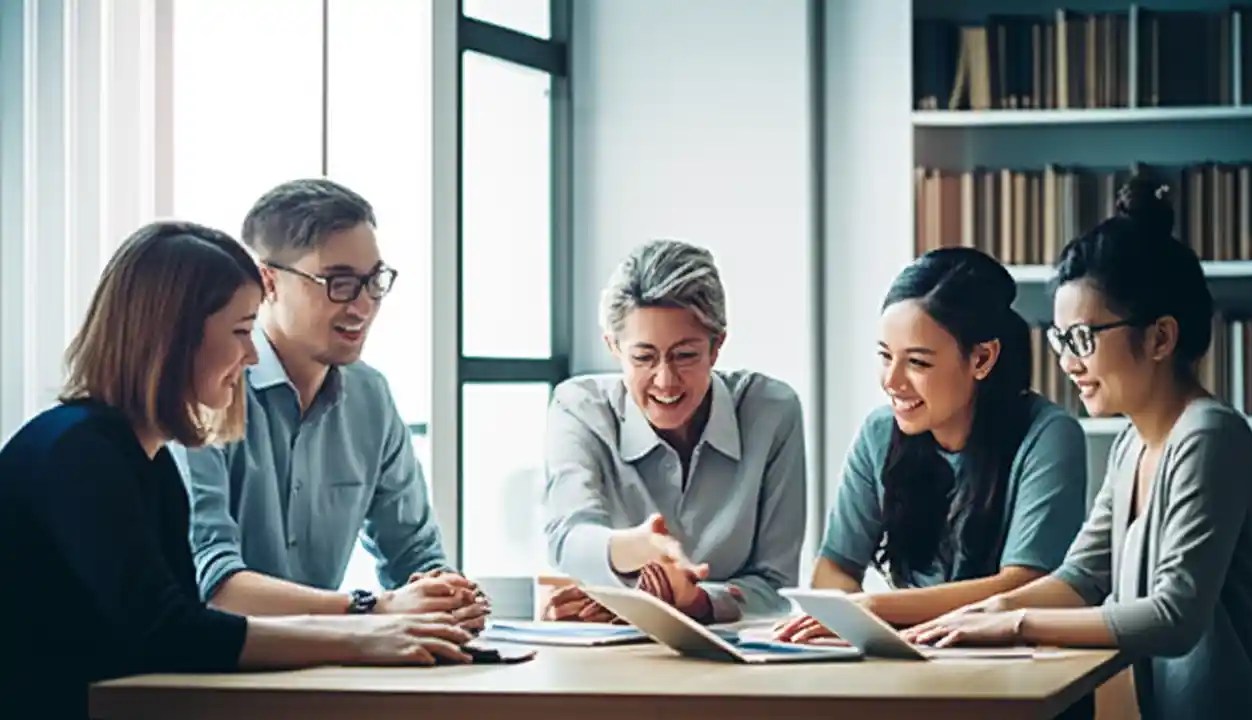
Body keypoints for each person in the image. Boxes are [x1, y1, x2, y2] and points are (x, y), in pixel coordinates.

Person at [0, 222, 474, 719]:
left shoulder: (146, 458)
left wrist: (376, 628)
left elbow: (182, 624)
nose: (251, 356)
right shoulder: (80, 454)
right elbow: (171, 632)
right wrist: (363, 634)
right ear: (175, 338)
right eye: (242, 332)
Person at [902, 179, 1252, 719]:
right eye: (1061, 342)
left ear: (1160, 338)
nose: (1068, 363)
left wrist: (1014, 624)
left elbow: (1174, 617)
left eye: (1082, 339)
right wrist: (984, 610)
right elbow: (1081, 578)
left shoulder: (1209, 436)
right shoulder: (1132, 445)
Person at [175, 179, 486, 624]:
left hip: (323, 668)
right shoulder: (210, 389)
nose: (362, 306)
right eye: (338, 282)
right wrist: (369, 608)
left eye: (373, 281)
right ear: (268, 281)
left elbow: (415, 554)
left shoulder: (369, 397)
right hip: (218, 676)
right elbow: (214, 586)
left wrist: (449, 597)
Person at [777, 247, 1087, 643]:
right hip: (915, 660)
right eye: (885, 356)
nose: (892, 381)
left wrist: (876, 610)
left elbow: (1026, 586)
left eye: (917, 363)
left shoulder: (1048, 436)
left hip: (1016, 671)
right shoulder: (879, 433)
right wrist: (866, 626)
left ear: (982, 358)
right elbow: (833, 571)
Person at [541, 239, 806, 623]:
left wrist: (693, 601)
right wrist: (638, 548)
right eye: (643, 357)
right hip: (615, 652)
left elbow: (775, 585)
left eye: (685, 356)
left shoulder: (772, 412)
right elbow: (568, 536)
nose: (665, 381)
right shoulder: (579, 407)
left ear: (716, 348)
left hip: (738, 663)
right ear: (613, 347)